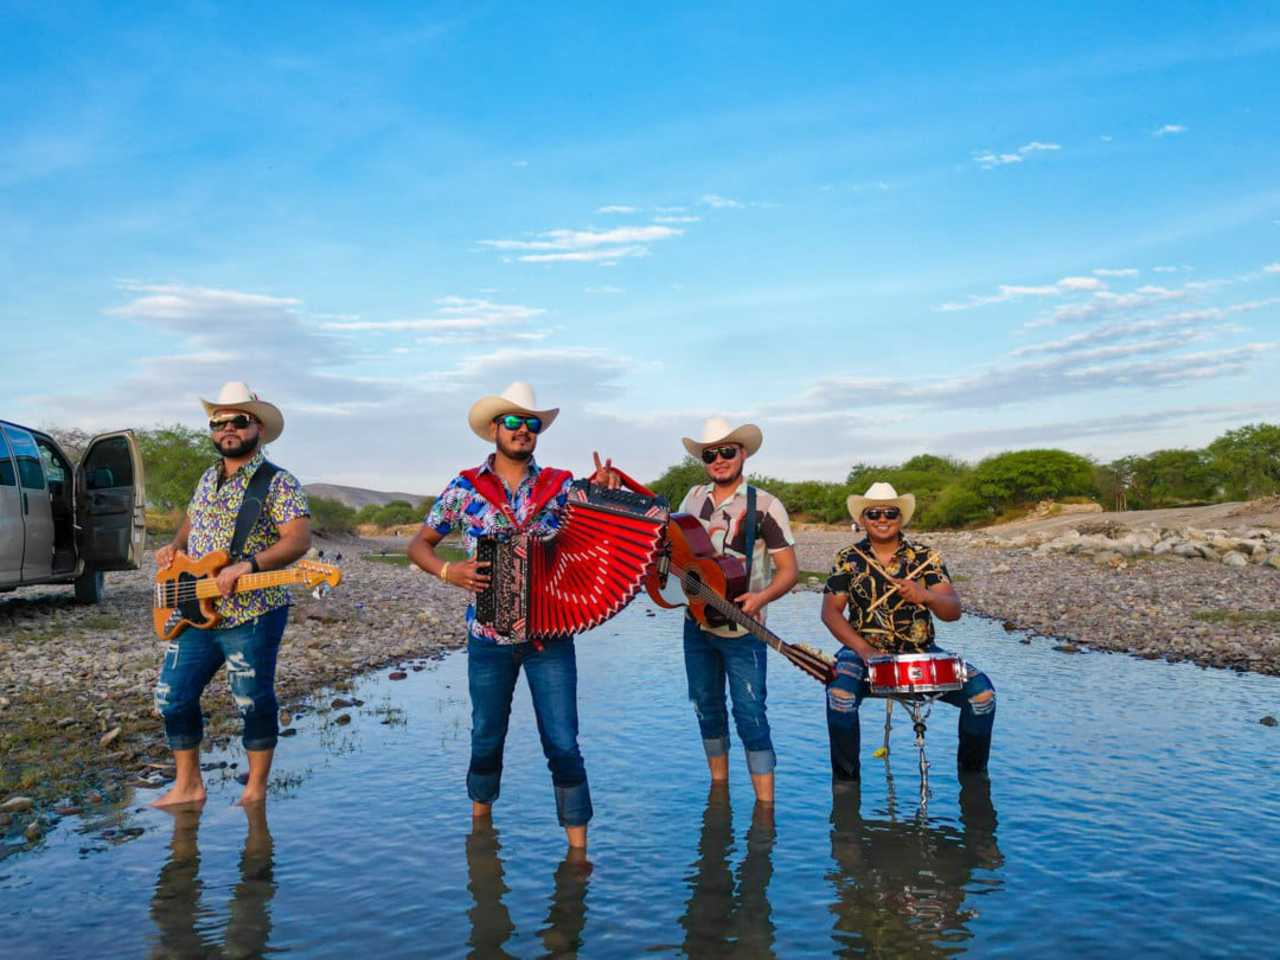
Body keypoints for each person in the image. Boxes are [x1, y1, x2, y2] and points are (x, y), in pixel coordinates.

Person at [407, 381, 618, 850]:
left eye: (532, 424)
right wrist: (449, 570)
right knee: (486, 736)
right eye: (514, 422)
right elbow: (419, 544)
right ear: (494, 430)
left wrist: (604, 493)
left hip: (552, 636)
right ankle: (480, 829)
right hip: (488, 636)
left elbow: (599, 532)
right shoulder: (465, 486)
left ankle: (578, 854)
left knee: (563, 742)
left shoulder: (561, 485)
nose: (524, 430)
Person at [151, 382, 311, 807]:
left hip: (253, 610)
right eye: (218, 422)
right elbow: (190, 527)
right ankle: (189, 786)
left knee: (251, 699)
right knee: (171, 695)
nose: (227, 429)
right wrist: (175, 548)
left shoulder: (278, 482)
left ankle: (255, 792)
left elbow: (297, 541)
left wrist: (250, 565)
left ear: (257, 427)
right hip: (195, 606)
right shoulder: (206, 478)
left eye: (238, 421)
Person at [821, 482, 995, 784]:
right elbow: (830, 613)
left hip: (920, 652)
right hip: (863, 652)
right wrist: (865, 651)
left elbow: (952, 610)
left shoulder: (926, 557)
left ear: (900, 517)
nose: (882, 518)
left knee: (982, 695)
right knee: (840, 697)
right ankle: (846, 787)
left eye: (890, 512)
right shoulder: (847, 559)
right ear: (863, 519)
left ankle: (973, 780)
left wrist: (925, 596)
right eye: (873, 513)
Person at [676, 417, 798, 803]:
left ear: (742, 454)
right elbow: (678, 553)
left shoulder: (764, 505)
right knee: (706, 707)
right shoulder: (692, 499)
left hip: (744, 629)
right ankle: (720, 793)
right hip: (696, 623)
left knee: (750, 714)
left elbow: (790, 571)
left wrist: (761, 599)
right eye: (711, 454)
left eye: (727, 451)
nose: (719, 459)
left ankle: (765, 809)